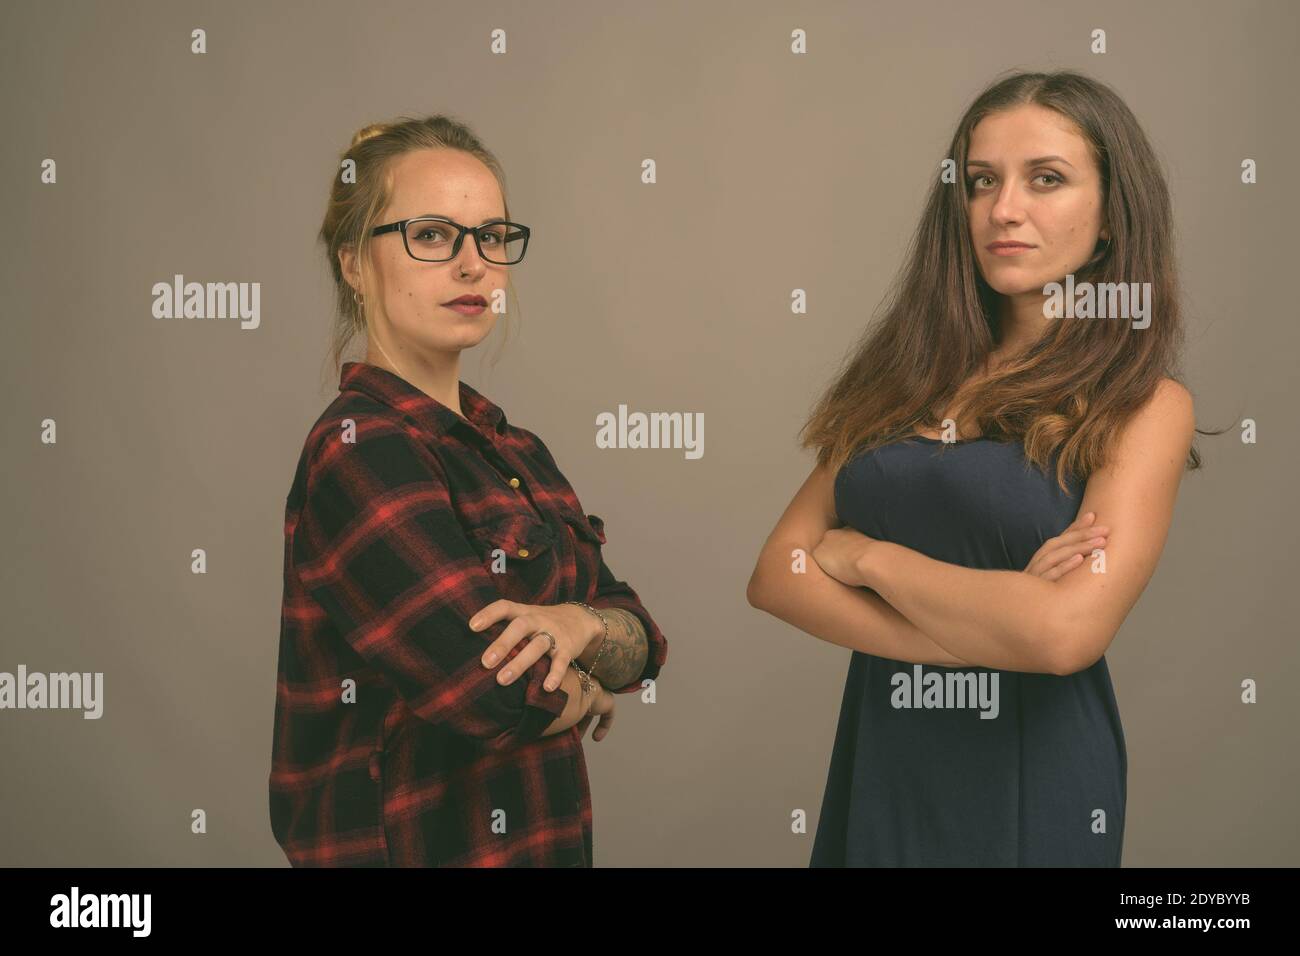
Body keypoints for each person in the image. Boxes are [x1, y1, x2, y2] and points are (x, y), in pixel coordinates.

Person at [747, 70, 1200, 866]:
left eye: (1047, 179)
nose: (1004, 209)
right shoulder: (901, 377)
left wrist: (866, 557)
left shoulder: (1143, 404)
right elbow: (777, 573)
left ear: (1109, 219)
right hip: (885, 759)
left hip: (1031, 773)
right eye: (982, 181)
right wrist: (989, 631)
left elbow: (1063, 634)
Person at [270, 115, 667, 867]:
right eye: (431, 235)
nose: (472, 265)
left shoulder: (516, 450)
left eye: (491, 236)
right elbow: (493, 693)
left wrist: (581, 628)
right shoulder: (359, 450)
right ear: (354, 262)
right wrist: (586, 673)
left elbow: (641, 636)